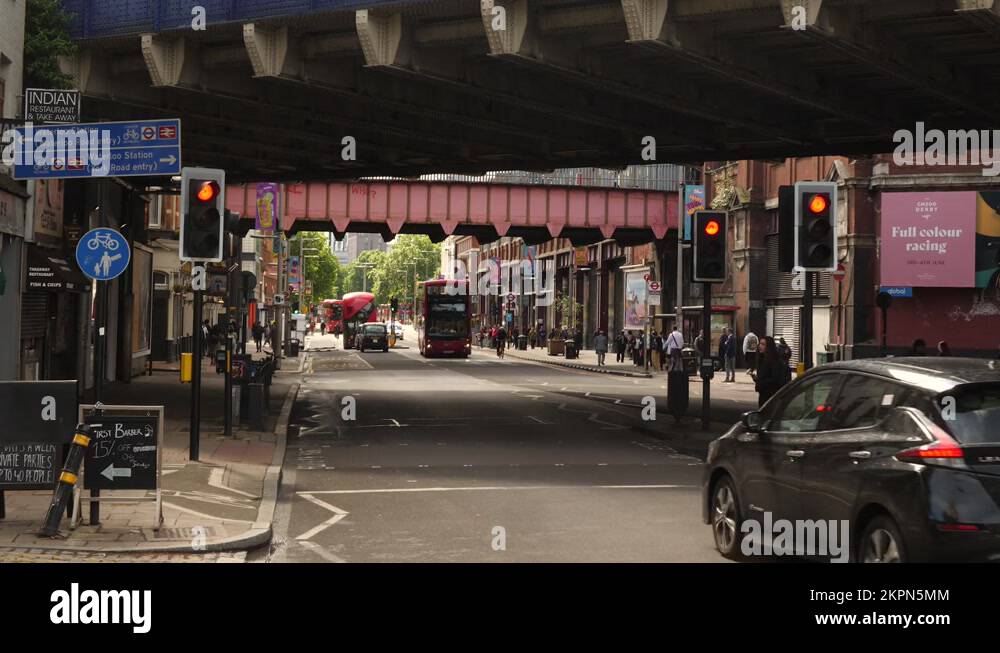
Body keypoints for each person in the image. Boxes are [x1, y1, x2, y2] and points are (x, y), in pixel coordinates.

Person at [751, 336, 786, 407]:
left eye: (763, 344)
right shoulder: (762, 359)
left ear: (769, 347)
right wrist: (756, 379)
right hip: (763, 393)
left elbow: (775, 379)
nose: (760, 346)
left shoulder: (774, 361)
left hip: (771, 395)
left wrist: (761, 382)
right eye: (760, 344)